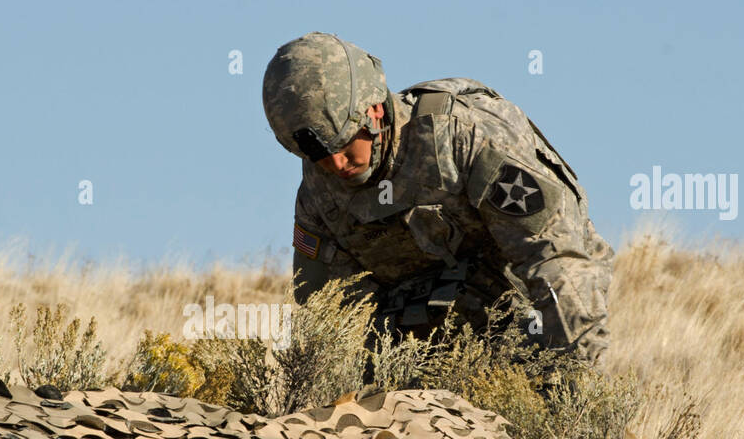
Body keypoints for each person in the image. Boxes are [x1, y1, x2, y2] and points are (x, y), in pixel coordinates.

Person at [262, 32, 614, 365]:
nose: (337, 164)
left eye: (343, 144)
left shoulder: (464, 137)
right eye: (319, 155)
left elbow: (558, 263)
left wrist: (572, 379)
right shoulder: (319, 197)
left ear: (374, 111)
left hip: (528, 327)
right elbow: (326, 315)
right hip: (422, 354)